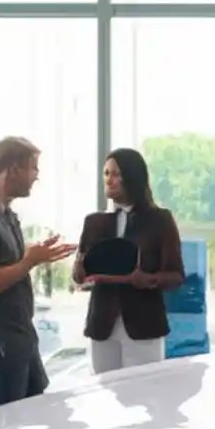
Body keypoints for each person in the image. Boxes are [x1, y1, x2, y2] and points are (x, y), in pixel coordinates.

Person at [0, 136, 75, 409]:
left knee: (32, 415)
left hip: (18, 335)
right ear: (13, 169)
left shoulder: (6, 214)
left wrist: (34, 254)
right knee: (4, 423)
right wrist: (29, 261)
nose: (37, 176)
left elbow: (5, 262)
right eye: (33, 167)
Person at [74, 148, 185, 373]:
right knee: (103, 395)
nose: (109, 180)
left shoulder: (159, 221)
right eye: (106, 174)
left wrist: (148, 280)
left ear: (132, 176)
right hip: (102, 324)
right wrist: (78, 269)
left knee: (145, 394)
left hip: (143, 324)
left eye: (115, 174)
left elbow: (176, 276)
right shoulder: (94, 222)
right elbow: (80, 277)